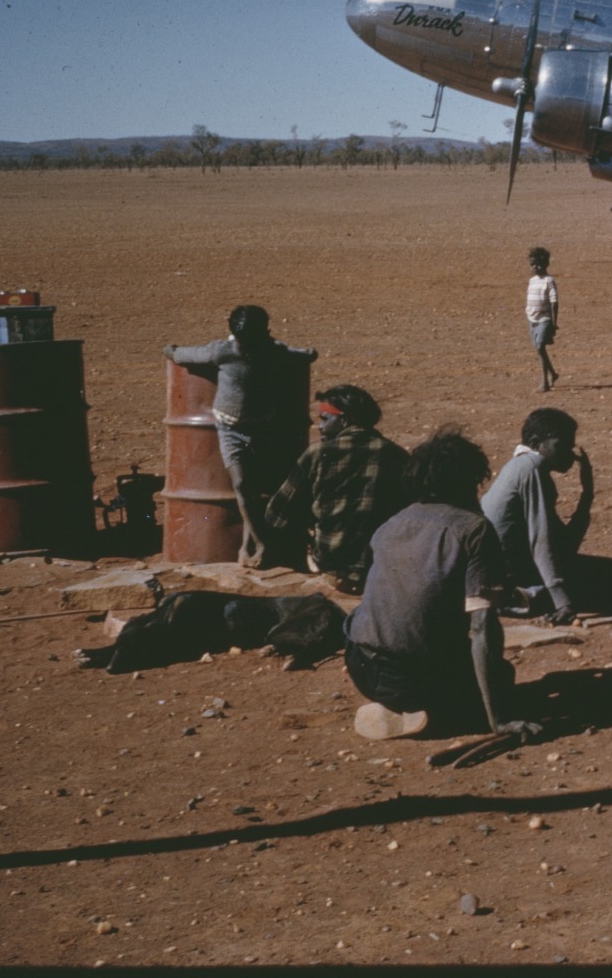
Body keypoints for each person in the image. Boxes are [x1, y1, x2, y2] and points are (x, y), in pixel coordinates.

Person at [344, 428, 544, 742]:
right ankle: (435, 714)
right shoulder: (473, 529)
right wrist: (499, 721)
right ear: (471, 478)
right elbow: (482, 630)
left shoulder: (392, 523)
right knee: (502, 677)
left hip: (360, 665)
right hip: (408, 677)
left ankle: (397, 703)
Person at [165, 305, 317, 567]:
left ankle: (249, 547)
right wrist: (171, 351)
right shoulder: (224, 351)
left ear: (266, 333)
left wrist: (307, 354)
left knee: (254, 489)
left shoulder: (272, 350)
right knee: (242, 484)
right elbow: (183, 356)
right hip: (231, 430)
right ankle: (261, 544)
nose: (248, 348)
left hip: (263, 429)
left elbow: (297, 355)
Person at [480, 408, 612, 623]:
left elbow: (565, 547)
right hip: (510, 570)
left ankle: (528, 594)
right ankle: (522, 598)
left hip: (510, 568)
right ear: (535, 443)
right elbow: (541, 541)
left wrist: (587, 494)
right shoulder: (531, 467)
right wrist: (563, 600)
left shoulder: (523, 467)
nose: (569, 455)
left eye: (571, 447)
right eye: (561, 446)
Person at [264, 384, 410, 596]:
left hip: (332, 570)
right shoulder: (397, 456)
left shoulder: (317, 455)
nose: (320, 427)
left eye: (325, 419)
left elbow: (276, 517)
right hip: (379, 569)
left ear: (344, 419)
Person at [525, 246, 560, 391]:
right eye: (532, 264)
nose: (535, 267)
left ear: (546, 264)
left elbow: (554, 302)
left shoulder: (549, 281)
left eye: (538, 264)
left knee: (540, 347)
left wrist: (553, 322)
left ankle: (544, 382)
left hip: (544, 319)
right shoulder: (532, 281)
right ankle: (553, 373)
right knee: (540, 349)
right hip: (532, 319)